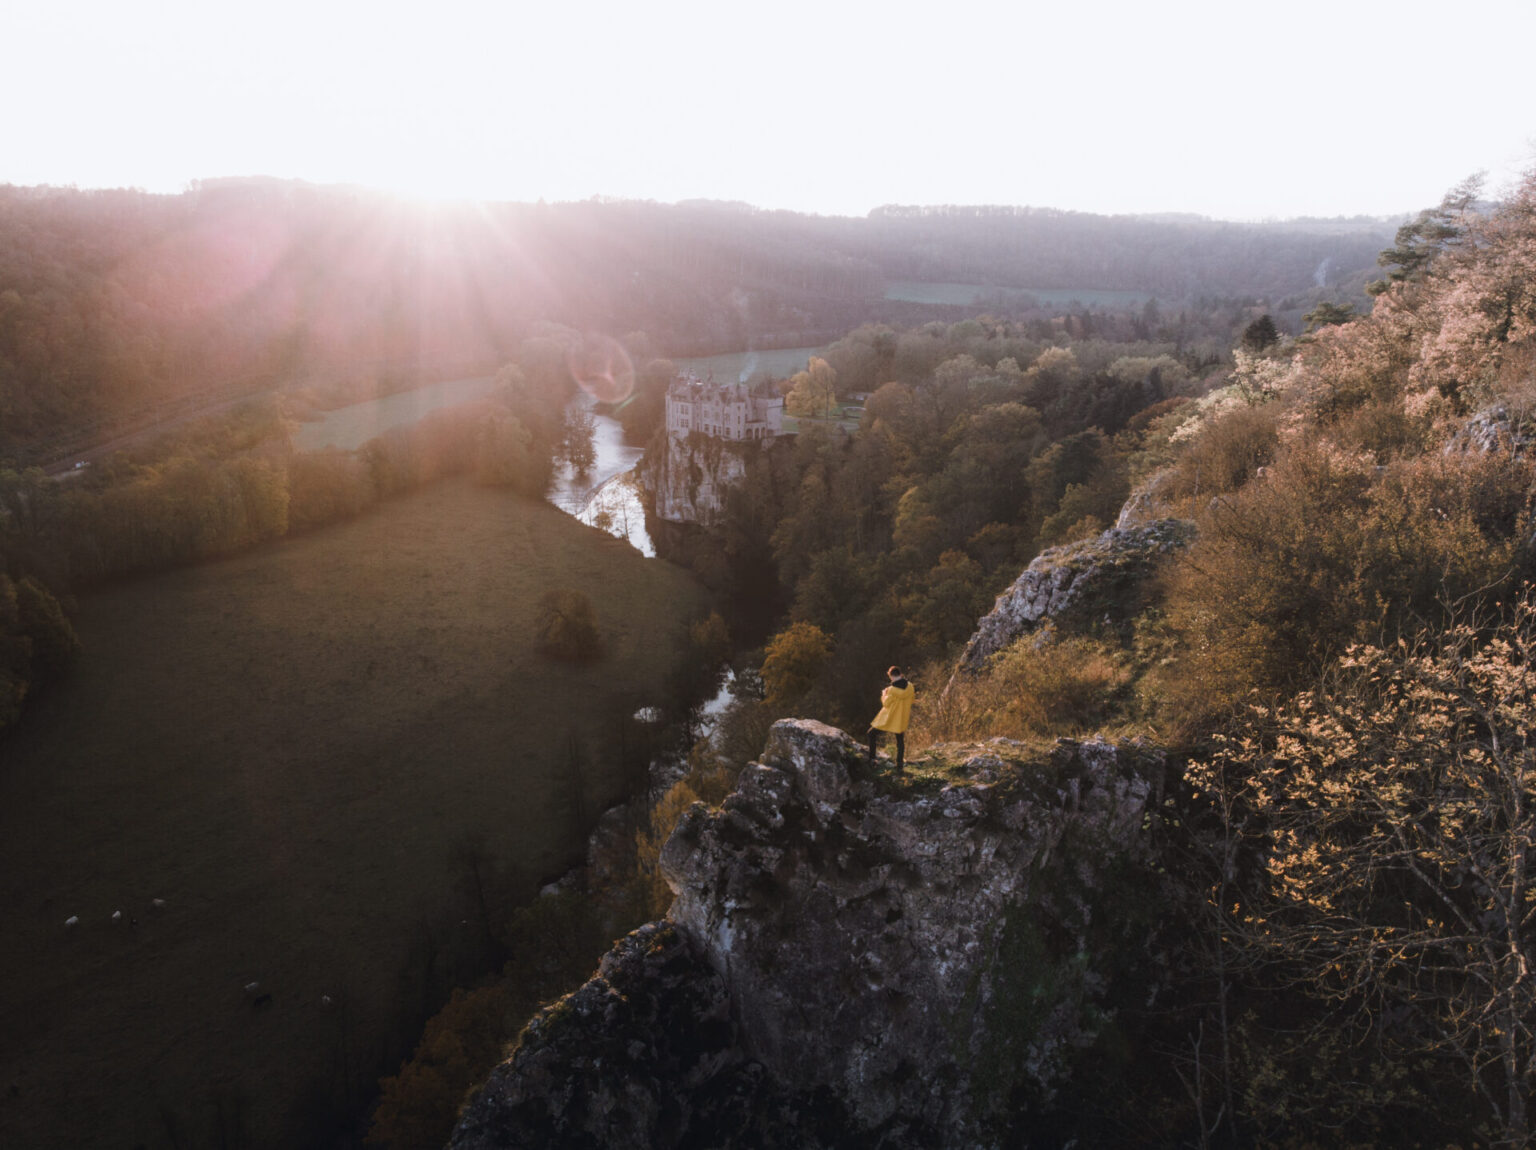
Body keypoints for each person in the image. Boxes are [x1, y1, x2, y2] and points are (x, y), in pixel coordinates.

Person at [868, 665, 915, 773]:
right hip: (902, 718)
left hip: (890, 719)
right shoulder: (911, 686)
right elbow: (912, 700)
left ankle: (872, 759)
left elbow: (886, 703)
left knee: (871, 734)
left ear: (890, 676)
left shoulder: (890, 690)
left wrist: (883, 694)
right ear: (901, 674)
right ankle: (899, 765)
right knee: (900, 740)